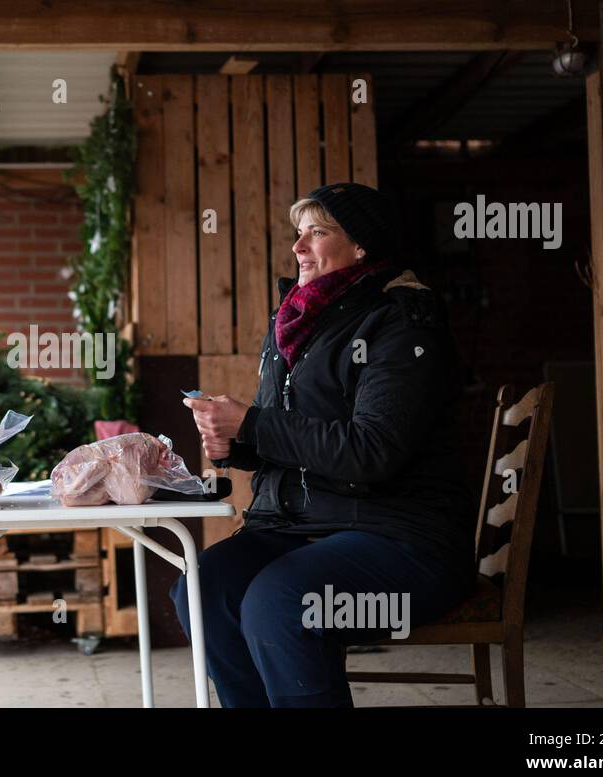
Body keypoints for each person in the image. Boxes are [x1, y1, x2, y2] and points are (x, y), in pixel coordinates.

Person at [176, 182, 477, 707]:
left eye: (318, 232)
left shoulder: (402, 321)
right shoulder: (296, 321)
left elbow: (372, 450)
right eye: (299, 232)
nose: (298, 247)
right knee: (201, 590)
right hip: (302, 529)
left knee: (281, 600)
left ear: (362, 245)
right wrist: (232, 441)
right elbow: (287, 435)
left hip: (402, 541)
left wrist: (253, 423)